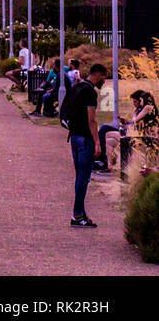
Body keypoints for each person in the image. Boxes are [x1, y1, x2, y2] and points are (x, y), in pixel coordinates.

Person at [63, 63, 108, 227]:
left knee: (79, 177)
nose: (104, 80)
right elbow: (92, 119)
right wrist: (97, 142)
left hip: (74, 137)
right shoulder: (90, 91)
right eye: (104, 76)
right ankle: (77, 215)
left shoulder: (77, 87)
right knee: (84, 178)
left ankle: (80, 213)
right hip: (85, 139)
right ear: (98, 74)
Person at [101, 90, 159, 172]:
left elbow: (135, 121)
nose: (139, 102)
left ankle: (107, 159)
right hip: (135, 133)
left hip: (143, 136)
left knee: (107, 133)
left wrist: (134, 115)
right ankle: (110, 167)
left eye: (141, 100)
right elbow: (133, 125)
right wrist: (126, 123)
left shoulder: (148, 107)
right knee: (109, 141)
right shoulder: (140, 109)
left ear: (144, 100)